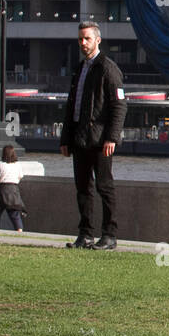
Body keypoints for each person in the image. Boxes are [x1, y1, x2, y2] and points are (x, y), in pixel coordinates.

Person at [60, 21, 127, 250]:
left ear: (97, 40)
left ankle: (109, 235)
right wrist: (65, 139)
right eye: (80, 39)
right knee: (83, 188)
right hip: (80, 139)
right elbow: (72, 106)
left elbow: (119, 106)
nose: (83, 43)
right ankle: (85, 234)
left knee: (104, 186)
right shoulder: (80, 69)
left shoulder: (108, 69)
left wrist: (112, 137)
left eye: (87, 38)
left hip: (100, 141)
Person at [0, 144, 27, 232]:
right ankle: (19, 231)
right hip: (13, 190)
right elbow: (20, 177)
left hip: (2, 190)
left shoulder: (0, 165)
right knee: (14, 214)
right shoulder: (17, 165)